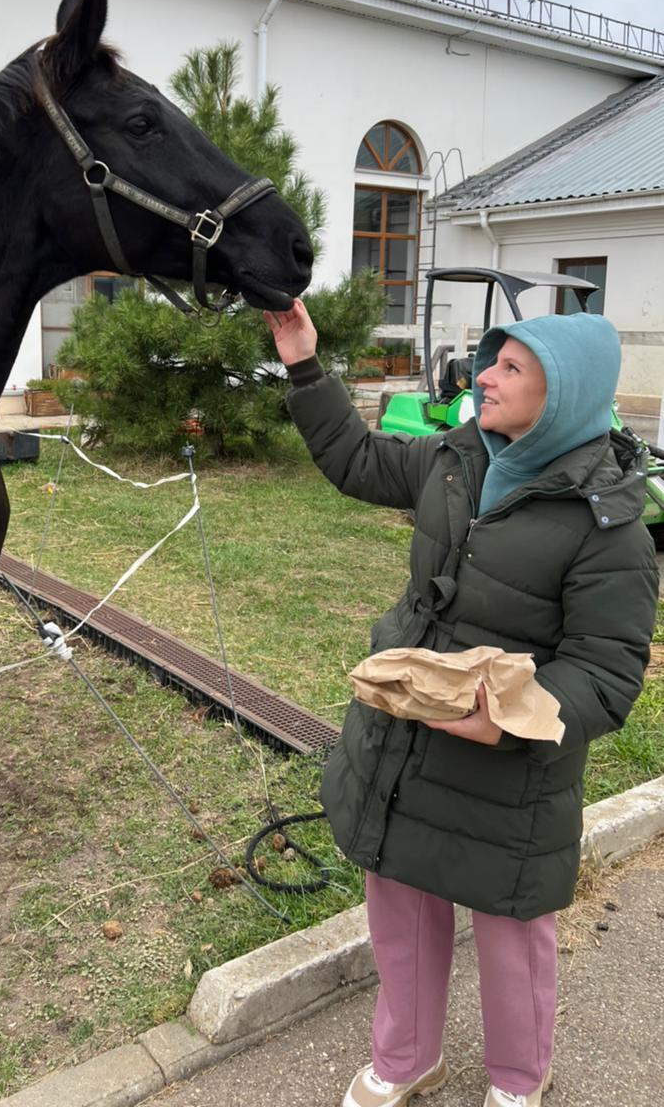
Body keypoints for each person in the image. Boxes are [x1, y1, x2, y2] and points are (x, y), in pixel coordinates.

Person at [266, 300, 658, 1107]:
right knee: (401, 902)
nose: (484, 376)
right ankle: (406, 1061)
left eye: (511, 367)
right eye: (492, 360)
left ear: (568, 392)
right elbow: (358, 461)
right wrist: (305, 362)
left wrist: (507, 719)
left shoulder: (608, 527)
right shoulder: (457, 454)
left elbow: (608, 669)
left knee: (513, 934)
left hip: (512, 768)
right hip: (407, 736)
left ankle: (519, 1081)